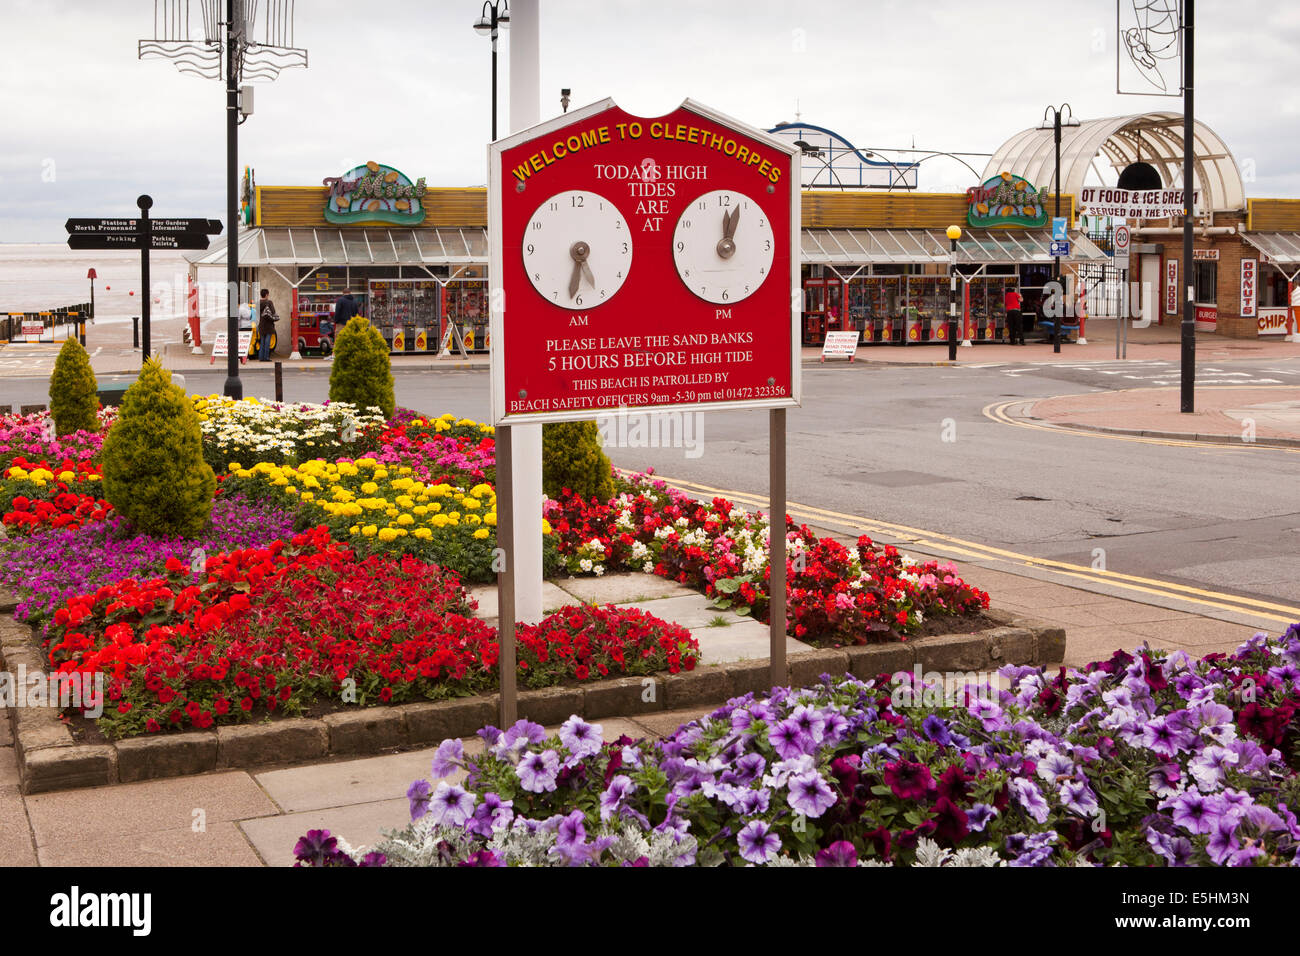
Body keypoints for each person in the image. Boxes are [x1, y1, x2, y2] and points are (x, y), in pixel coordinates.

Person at [257, 288, 278, 361]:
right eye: (268, 294)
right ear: (266, 295)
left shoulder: (258, 303)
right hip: (268, 325)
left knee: (262, 342)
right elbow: (273, 312)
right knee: (267, 342)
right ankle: (266, 357)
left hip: (261, 325)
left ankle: (261, 357)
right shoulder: (269, 302)